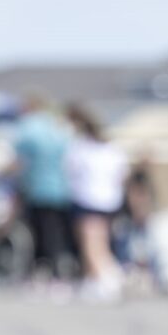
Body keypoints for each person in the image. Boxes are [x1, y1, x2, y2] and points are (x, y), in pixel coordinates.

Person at [64, 104, 128, 301]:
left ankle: (107, 278)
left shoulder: (81, 147)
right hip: (110, 200)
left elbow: (70, 170)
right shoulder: (113, 150)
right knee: (100, 241)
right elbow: (122, 174)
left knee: (91, 243)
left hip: (88, 198)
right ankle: (97, 279)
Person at [10, 95, 74, 278]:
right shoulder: (58, 126)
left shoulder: (28, 126)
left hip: (38, 188)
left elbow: (18, 160)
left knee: (38, 234)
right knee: (56, 234)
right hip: (62, 188)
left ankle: (42, 272)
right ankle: (58, 272)